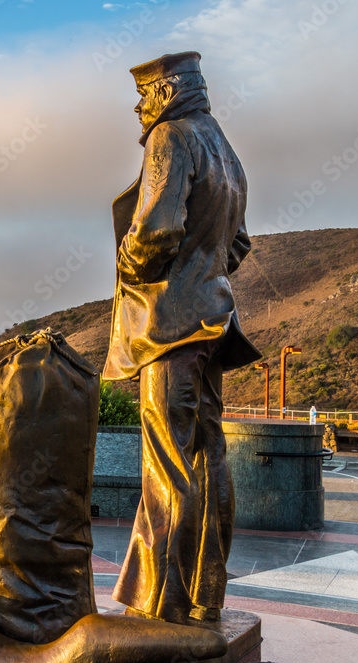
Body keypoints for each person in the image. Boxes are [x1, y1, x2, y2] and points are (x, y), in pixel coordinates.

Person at [103, 52, 261, 625]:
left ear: (168, 93)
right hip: (213, 324)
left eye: (145, 94)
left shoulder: (170, 138)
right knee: (208, 457)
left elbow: (155, 231)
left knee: (168, 464)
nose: (138, 107)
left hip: (170, 328)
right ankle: (205, 596)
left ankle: (161, 605)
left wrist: (129, 262)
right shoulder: (223, 144)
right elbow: (238, 244)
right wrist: (206, 268)